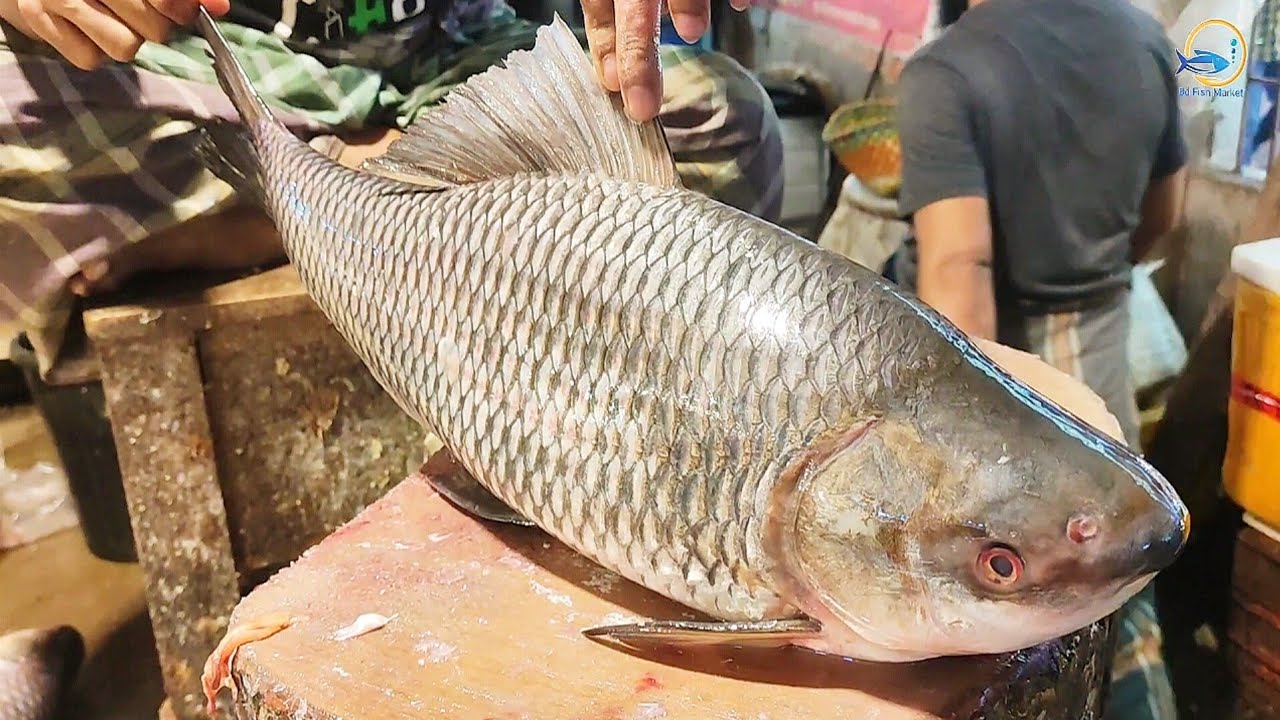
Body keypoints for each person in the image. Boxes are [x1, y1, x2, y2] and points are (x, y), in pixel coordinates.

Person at [0, 0, 781, 374]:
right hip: (204, 56)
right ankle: (353, 182)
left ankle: (287, 192)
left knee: (721, 115)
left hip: (445, 49)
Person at [889, 0, 1187, 718]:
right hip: (1102, 355)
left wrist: (976, 456)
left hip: (1007, 377)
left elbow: (960, 270)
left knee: (1005, 645)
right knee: (1120, 592)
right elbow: (1165, 216)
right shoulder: (1146, 39)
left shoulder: (946, 69)